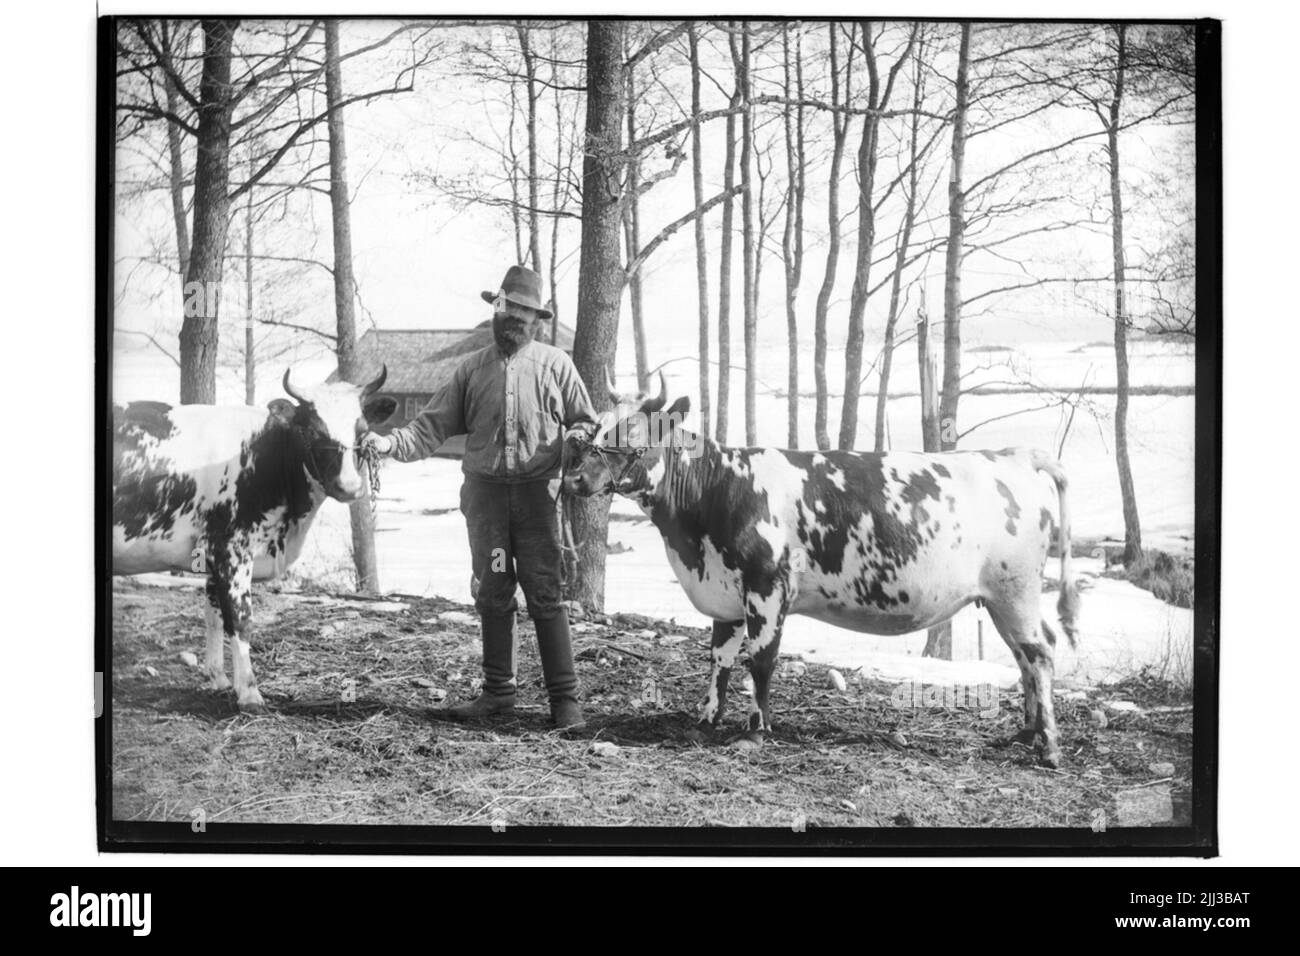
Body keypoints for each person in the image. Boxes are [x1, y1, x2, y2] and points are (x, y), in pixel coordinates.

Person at [363, 265, 597, 728]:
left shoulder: (556, 366)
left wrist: (574, 442)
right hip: (487, 507)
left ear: (538, 319)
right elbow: (431, 425)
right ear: (497, 309)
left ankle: (565, 701)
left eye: (524, 311)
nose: (514, 317)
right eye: (507, 307)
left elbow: (586, 422)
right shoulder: (471, 369)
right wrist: (390, 444)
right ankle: (498, 692)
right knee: (493, 588)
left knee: (546, 595)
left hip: (537, 504)